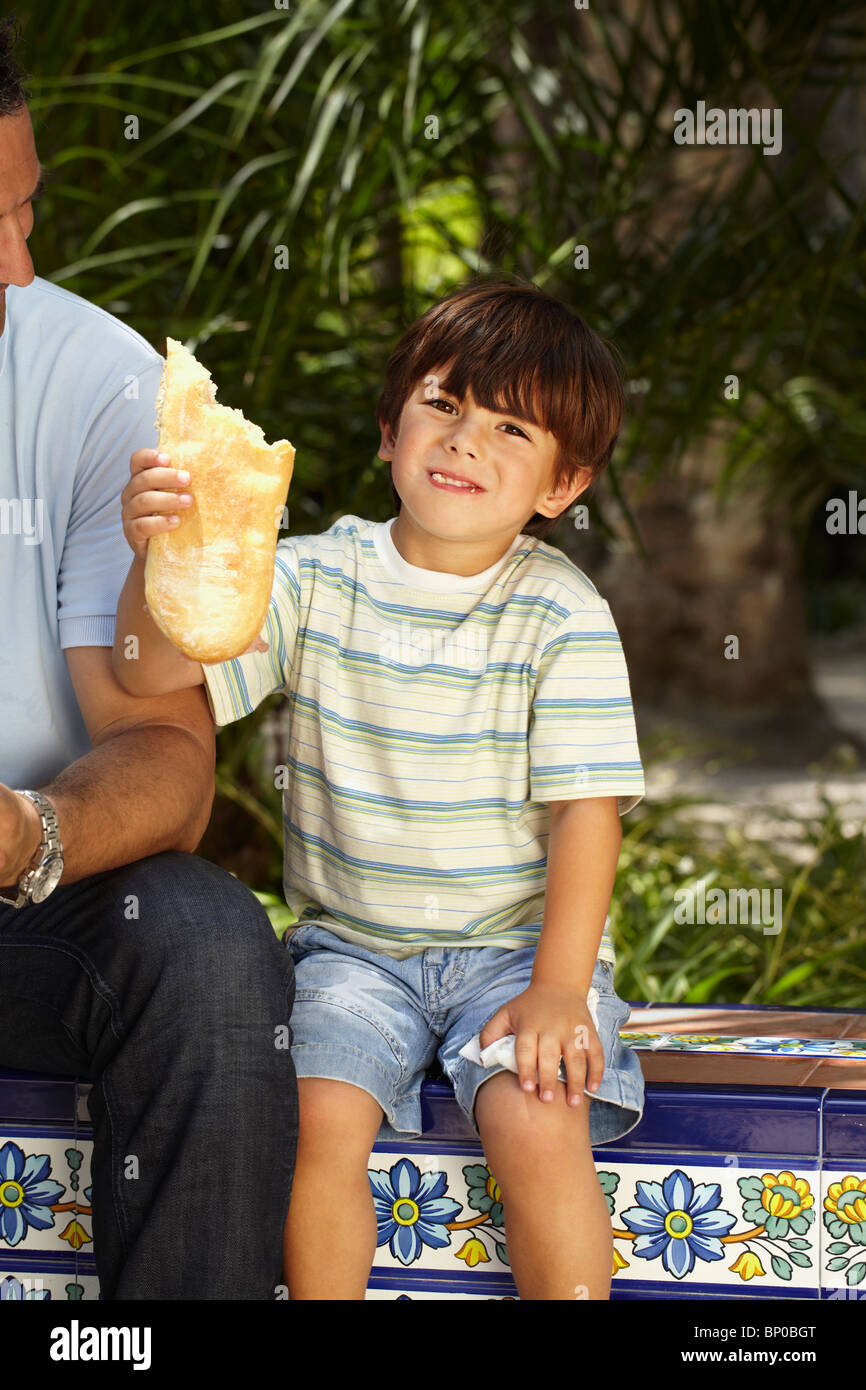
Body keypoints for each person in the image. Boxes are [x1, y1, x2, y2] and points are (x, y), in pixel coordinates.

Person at [114, 275, 647, 1300]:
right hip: (352, 951)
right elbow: (149, 670)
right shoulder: (310, 578)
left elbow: (585, 814)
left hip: (513, 952)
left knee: (538, 1123)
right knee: (312, 1120)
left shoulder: (558, 613)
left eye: (508, 428)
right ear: (386, 429)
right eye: (442, 404)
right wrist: (157, 558)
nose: (463, 441)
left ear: (560, 485)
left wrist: (553, 988)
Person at [0, 17, 297, 1299]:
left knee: (208, 943)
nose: (15, 269)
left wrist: (30, 832)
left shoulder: (100, 384)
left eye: (23, 213)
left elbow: (169, 753)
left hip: (27, 910)